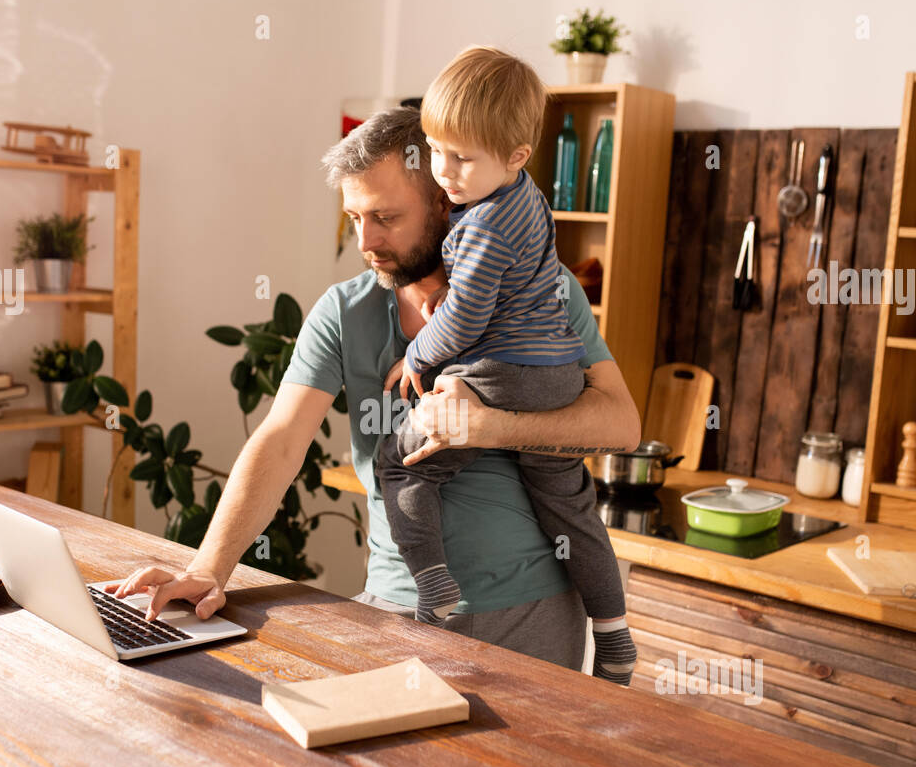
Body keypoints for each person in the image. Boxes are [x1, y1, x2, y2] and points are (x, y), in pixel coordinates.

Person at [107, 105, 641, 679]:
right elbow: (283, 440)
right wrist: (210, 568)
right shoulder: (344, 311)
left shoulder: (544, 289)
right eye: (355, 217)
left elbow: (620, 424)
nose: (368, 241)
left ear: (444, 199)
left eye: (386, 216)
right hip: (397, 603)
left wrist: (493, 427)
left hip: (529, 609)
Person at [372, 47, 635, 685]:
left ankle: (435, 587)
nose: (444, 172)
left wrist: (421, 355)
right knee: (570, 507)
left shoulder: (480, 229)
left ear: (516, 155)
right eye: (436, 150)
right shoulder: (527, 198)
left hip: (507, 374)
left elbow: (464, 319)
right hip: (556, 374)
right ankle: (614, 634)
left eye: (461, 158)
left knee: (400, 466)